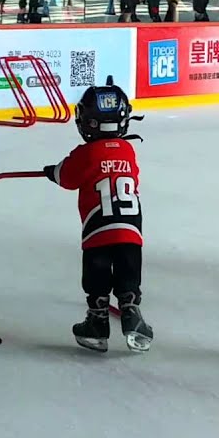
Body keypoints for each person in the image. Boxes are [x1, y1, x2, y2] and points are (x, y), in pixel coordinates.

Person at [42, 81, 153, 353]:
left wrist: (51, 171)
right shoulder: (128, 150)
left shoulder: (86, 153)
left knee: (97, 276)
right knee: (129, 274)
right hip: (130, 229)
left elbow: (66, 177)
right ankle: (131, 310)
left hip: (98, 230)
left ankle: (97, 321)